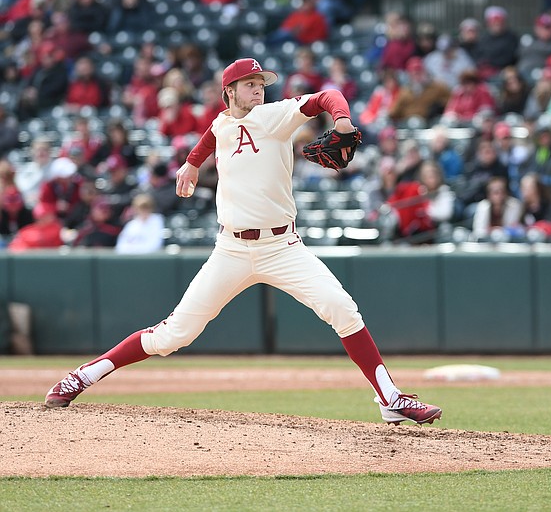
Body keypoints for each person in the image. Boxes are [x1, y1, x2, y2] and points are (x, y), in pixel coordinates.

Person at [44, 58, 442, 427]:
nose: (258, 89)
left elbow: (327, 95)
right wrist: (191, 163)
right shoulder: (221, 123)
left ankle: (390, 398)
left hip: (282, 247)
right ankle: (84, 375)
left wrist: (340, 121)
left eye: (261, 83)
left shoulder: (274, 116)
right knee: (173, 335)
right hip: (230, 251)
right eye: (249, 84)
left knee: (341, 307)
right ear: (229, 92)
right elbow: (212, 133)